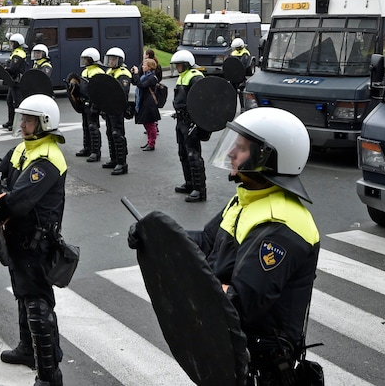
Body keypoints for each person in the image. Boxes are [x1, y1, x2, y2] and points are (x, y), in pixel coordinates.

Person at [131, 107, 320, 386]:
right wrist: (156, 237)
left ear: (267, 158)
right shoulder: (246, 200)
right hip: (234, 352)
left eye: (241, 148)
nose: (231, 153)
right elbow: (207, 243)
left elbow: (240, 303)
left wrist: (203, 286)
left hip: (263, 368)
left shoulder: (283, 225)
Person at [0, 94, 68, 386]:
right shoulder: (24, 148)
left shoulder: (48, 158)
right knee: (23, 294)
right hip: (18, 237)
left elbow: (17, 202)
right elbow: (2, 171)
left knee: (37, 303)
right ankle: (27, 350)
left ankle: (49, 374)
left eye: (28, 121)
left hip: (36, 241)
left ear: (44, 123)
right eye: (23, 119)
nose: (22, 125)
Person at [170, 50, 208, 202]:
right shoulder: (183, 77)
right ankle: (189, 183)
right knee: (183, 153)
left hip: (191, 122)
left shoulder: (195, 77)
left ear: (186, 64)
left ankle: (200, 190)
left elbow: (201, 100)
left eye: (179, 64)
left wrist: (196, 121)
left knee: (193, 155)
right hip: (181, 121)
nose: (177, 67)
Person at [101, 47, 132, 175]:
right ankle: (114, 159)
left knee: (117, 134)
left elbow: (122, 92)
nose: (111, 61)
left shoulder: (123, 73)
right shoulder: (109, 71)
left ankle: (122, 163)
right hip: (108, 107)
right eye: (110, 59)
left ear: (119, 60)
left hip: (117, 108)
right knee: (109, 133)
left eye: (113, 59)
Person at [73, 47, 105, 162]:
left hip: (93, 103)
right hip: (84, 102)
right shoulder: (85, 71)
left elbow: (98, 91)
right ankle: (87, 148)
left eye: (86, 59)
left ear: (92, 59)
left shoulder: (98, 72)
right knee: (86, 126)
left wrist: (95, 105)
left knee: (93, 127)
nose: (84, 61)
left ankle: (96, 152)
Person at [134, 58, 162, 151]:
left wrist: (137, 74)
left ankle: (152, 143)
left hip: (149, 103)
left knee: (150, 124)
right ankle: (149, 141)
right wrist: (134, 74)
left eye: (144, 65)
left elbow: (141, 85)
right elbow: (135, 82)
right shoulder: (145, 76)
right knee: (146, 123)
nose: (142, 66)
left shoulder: (152, 78)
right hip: (144, 101)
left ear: (149, 67)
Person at [2, 34, 28, 130]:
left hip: (17, 81)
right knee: (9, 101)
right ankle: (11, 121)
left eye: (13, 43)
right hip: (13, 81)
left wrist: (6, 68)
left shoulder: (18, 54)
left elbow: (13, 68)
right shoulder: (16, 52)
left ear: (17, 43)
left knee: (17, 103)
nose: (11, 44)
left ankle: (17, 124)